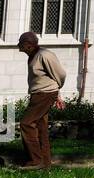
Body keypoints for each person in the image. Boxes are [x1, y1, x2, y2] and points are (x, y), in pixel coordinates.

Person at [17, 32, 66, 169]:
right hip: (39, 94)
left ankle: (35, 161)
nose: (19, 47)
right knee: (41, 127)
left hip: (45, 94)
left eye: (22, 44)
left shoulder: (45, 55)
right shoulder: (32, 56)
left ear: (30, 45)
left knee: (26, 123)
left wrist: (56, 91)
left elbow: (60, 74)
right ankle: (45, 163)